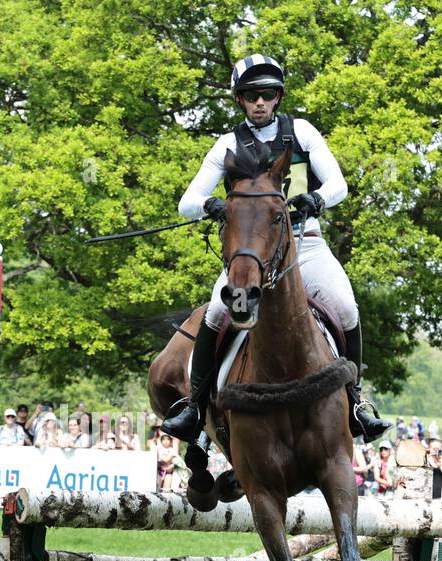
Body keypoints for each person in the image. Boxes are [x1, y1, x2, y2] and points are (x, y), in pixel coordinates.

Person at [163, 54, 389, 444]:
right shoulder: (227, 145)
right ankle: (195, 408)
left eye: (267, 94)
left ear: (278, 97)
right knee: (216, 314)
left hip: (305, 245)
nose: (260, 102)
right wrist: (210, 205)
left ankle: (355, 402)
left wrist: (317, 198)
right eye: (252, 95)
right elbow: (188, 200)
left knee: (348, 308)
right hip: (250, 254)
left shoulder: (301, 132)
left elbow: (339, 184)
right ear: (240, 100)